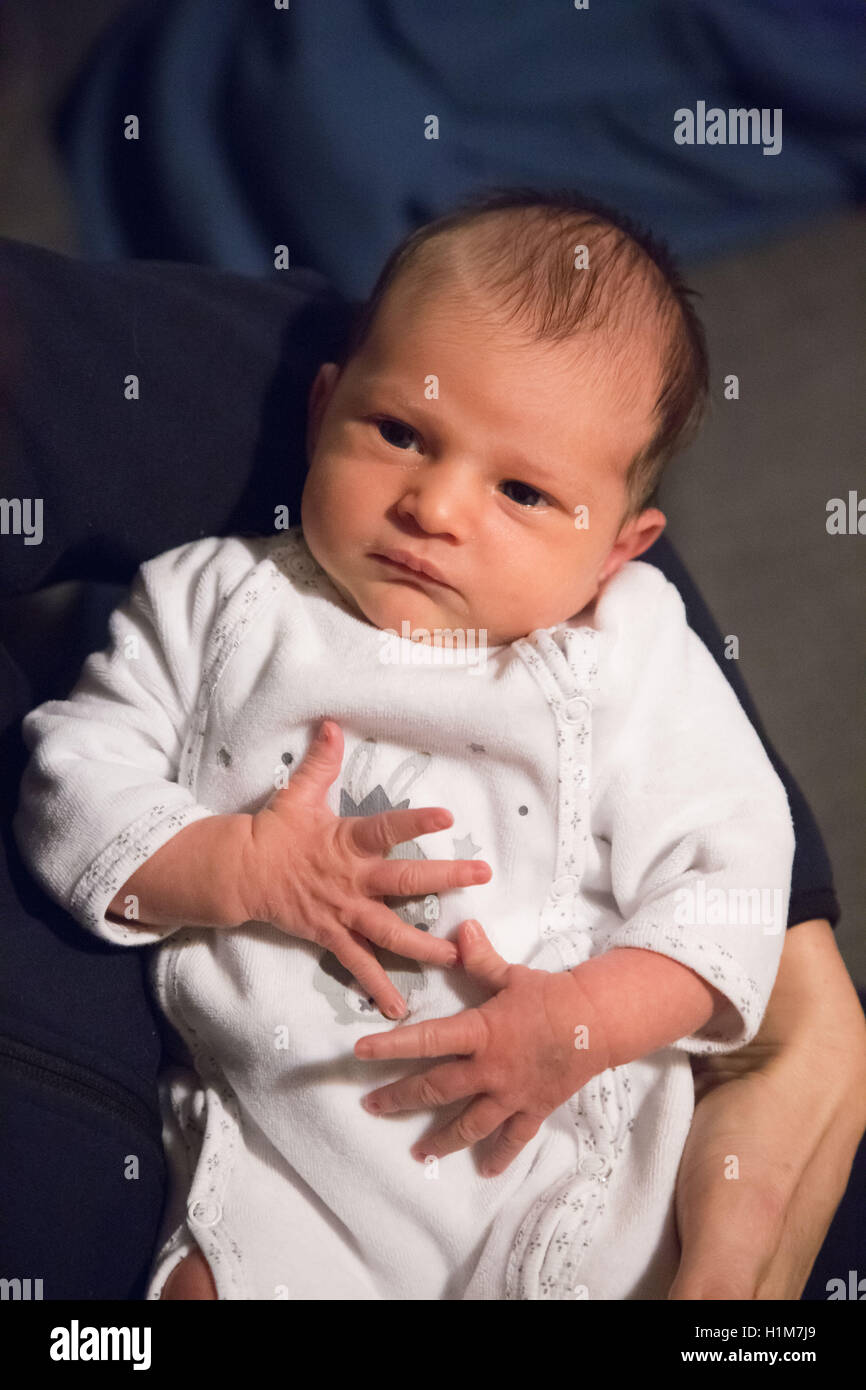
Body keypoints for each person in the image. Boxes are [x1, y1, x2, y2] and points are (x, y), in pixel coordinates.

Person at [14, 190, 807, 1299]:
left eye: (522, 491)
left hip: (558, 1159)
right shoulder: (214, 600)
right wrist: (232, 866)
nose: (434, 505)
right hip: (291, 1164)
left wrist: (585, 1021)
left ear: (620, 550)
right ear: (323, 408)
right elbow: (70, 782)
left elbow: (731, 872)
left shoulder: (629, 651)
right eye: (399, 433)